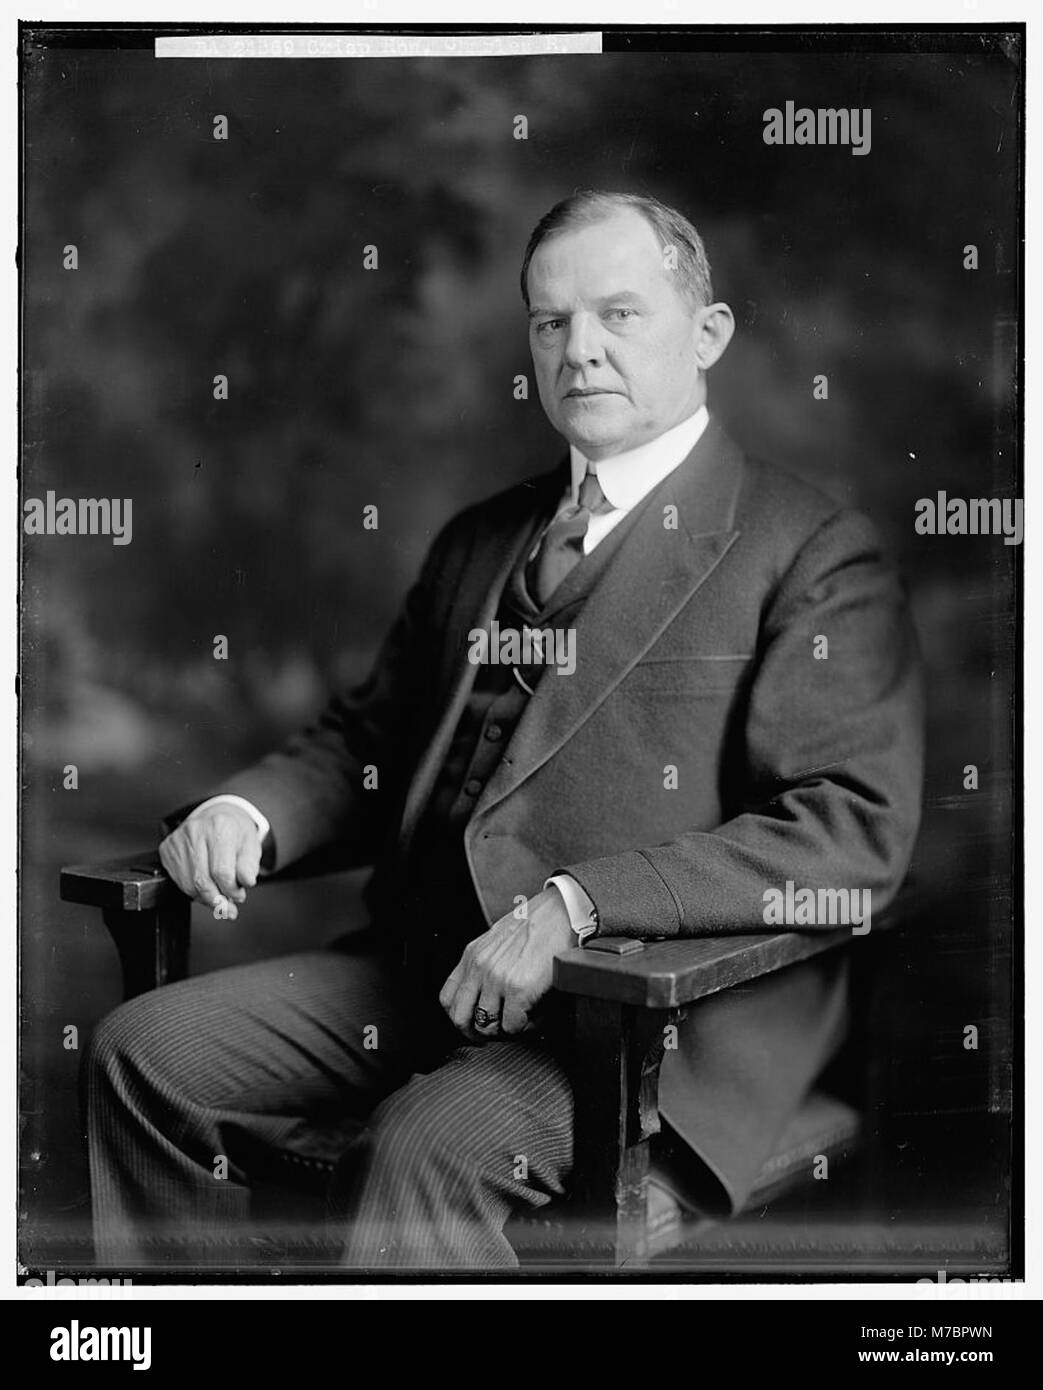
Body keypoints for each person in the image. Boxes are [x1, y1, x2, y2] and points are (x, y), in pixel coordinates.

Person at [83, 190, 924, 1270]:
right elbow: (366, 741)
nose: (578, 351)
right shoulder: (484, 536)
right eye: (549, 322)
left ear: (706, 333)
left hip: (630, 1027)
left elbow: (849, 834)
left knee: (425, 1145)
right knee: (140, 1053)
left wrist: (576, 905)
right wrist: (247, 810)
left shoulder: (806, 550)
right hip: (418, 974)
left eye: (620, 314)